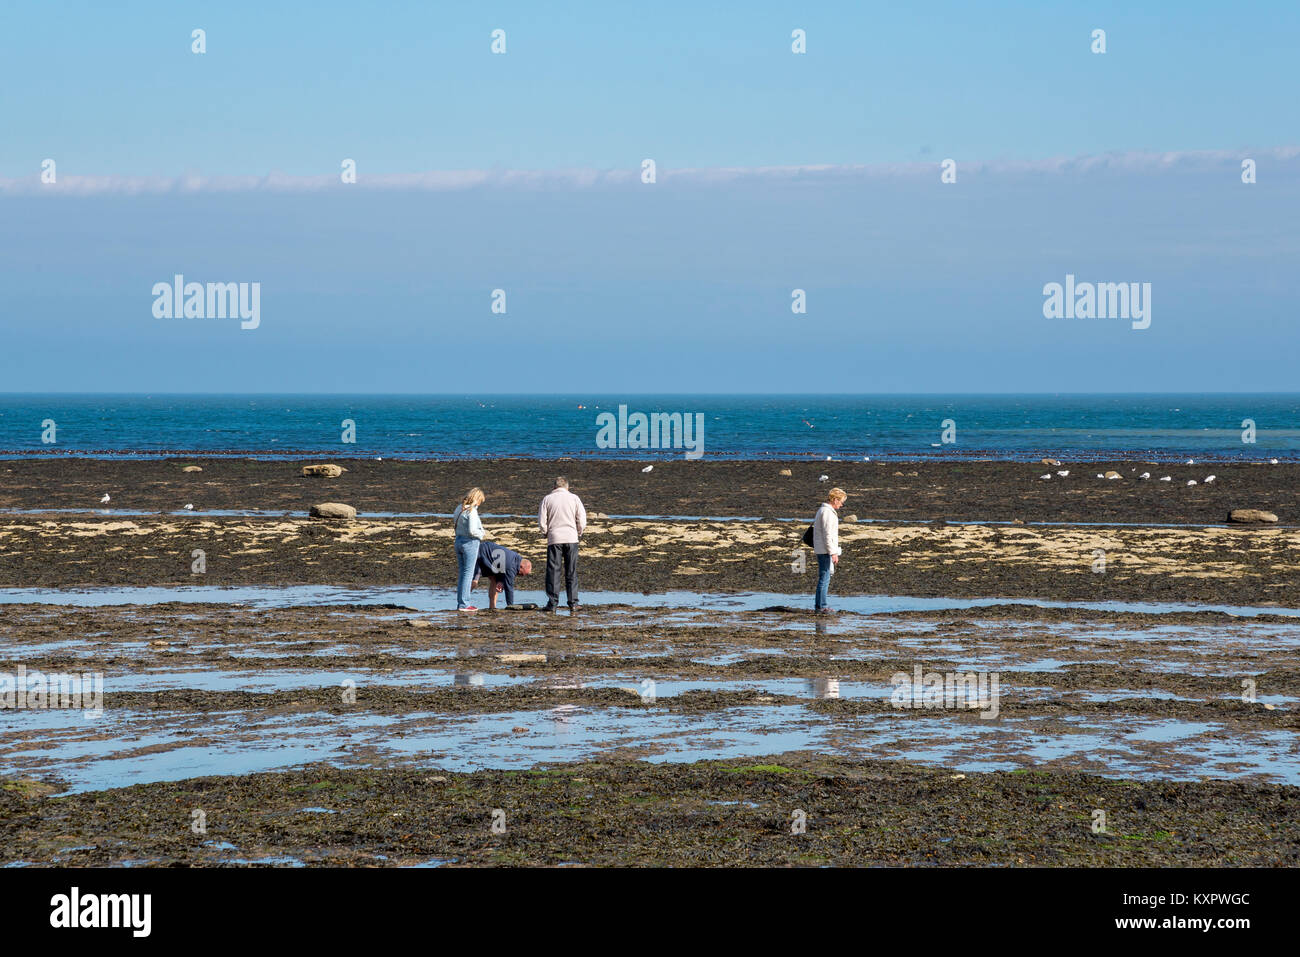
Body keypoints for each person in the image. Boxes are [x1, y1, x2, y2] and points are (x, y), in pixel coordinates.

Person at [538, 476, 587, 611]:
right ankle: (573, 603)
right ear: (567, 487)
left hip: (554, 538)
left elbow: (542, 521)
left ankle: (553, 603)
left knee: (554, 571)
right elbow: (582, 518)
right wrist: (579, 531)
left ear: (554, 487)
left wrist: (545, 532)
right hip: (571, 537)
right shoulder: (574, 498)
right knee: (571, 571)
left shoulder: (547, 499)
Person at [451, 487, 487, 612]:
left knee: (462, 573)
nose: (479, 504)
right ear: (476, 499)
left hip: (458, 541)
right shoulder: (472, 511)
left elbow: (455, 525)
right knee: (468, 573)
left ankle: (461, 602)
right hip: (470, 543)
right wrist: (482, 533)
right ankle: (464, 604)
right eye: (480, 501)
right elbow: (472, 530)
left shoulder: (458, 508)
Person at [812, 487, 847, 614]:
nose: (842, 504)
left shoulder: (824, 510)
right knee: (825, 577)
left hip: (823, 548)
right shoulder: (827, 512)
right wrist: (833, 552)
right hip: (825, 550)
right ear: (835, 499)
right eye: (841, 501)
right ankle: (822, 606)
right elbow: (827, 535)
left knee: (824, 576)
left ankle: (819, 605)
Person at [472, 540, 533, 610]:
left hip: (489, 555)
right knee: (474, 582)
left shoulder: (516, 559)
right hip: (480, 553)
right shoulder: (512, 566)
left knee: (494, 579)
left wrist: (500, 581)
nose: (520, 575)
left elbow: (501, 567)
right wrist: (511, 606)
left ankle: (492, 607)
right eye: (521, 574)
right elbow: (509, 588)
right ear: (521, 566)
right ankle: (464, 603)